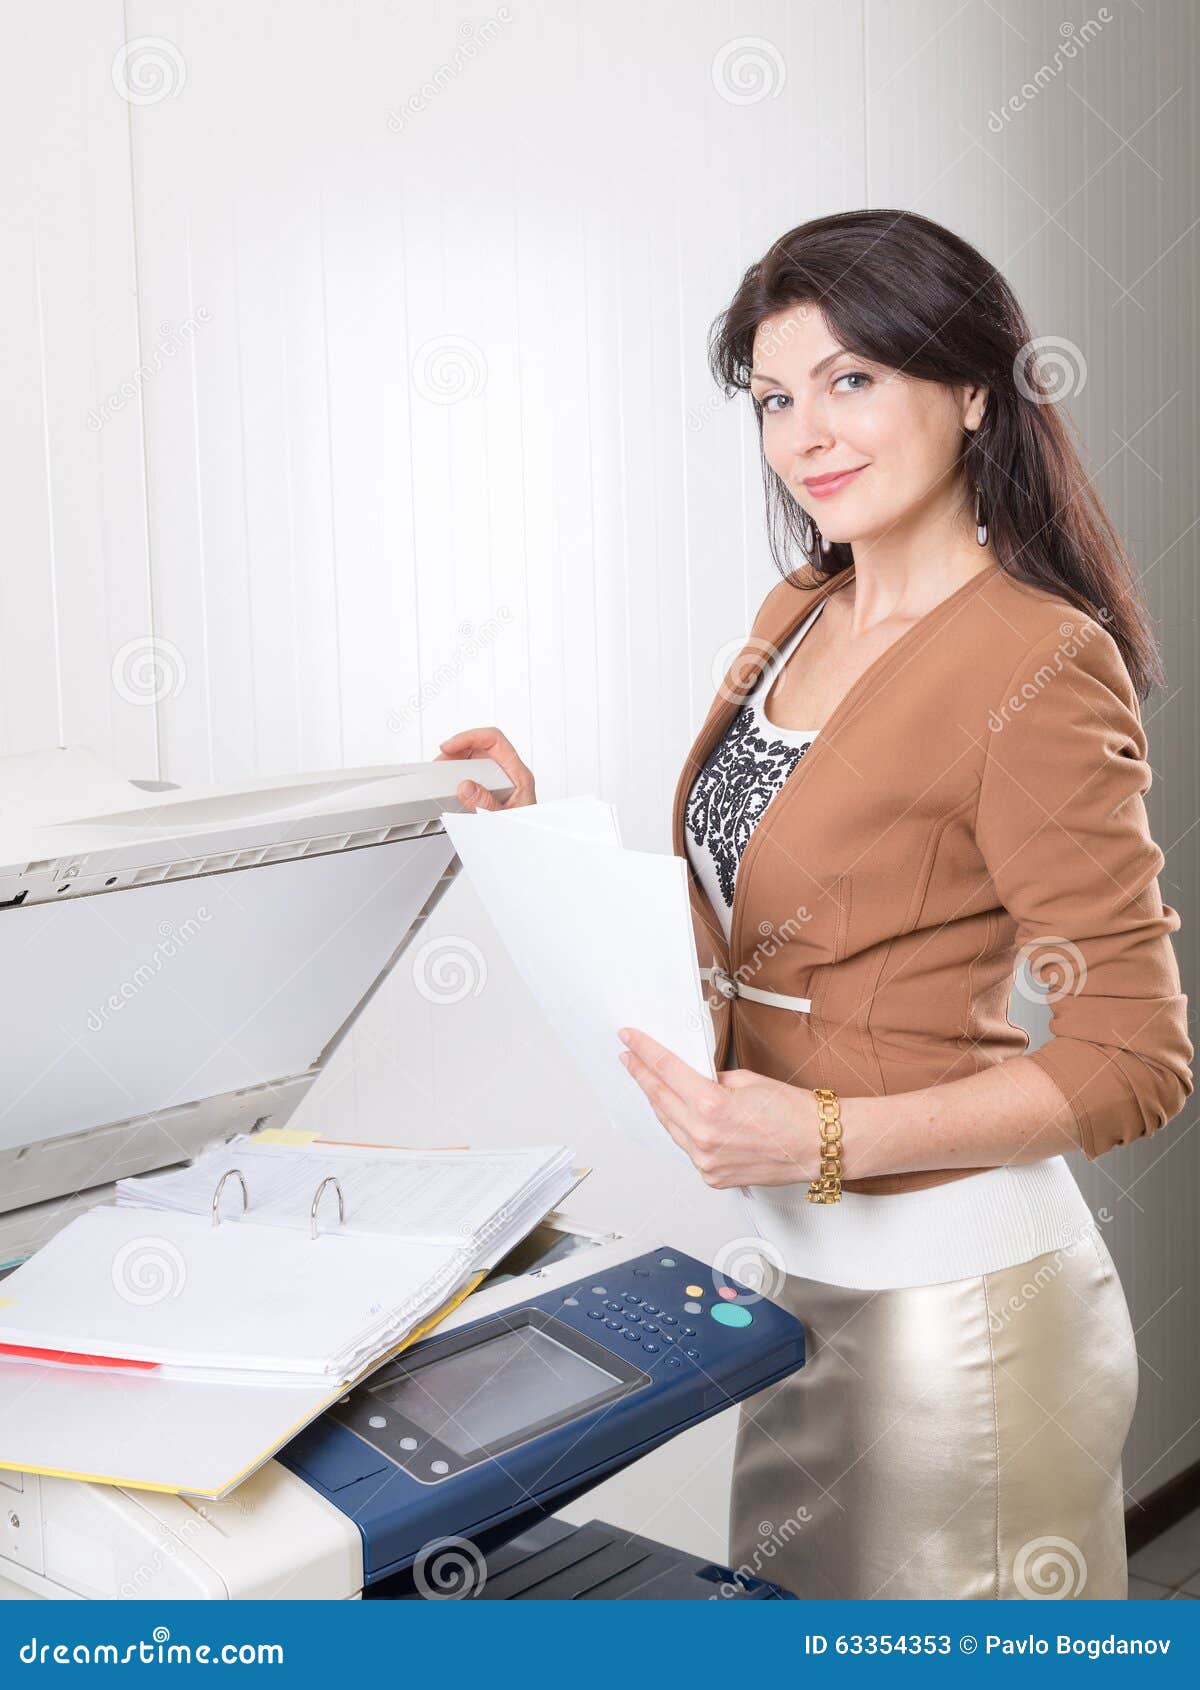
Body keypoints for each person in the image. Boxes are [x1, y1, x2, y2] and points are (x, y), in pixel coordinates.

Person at [436, 209, 1192, 1601]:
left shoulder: (1037, 663)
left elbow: (1134, 1061)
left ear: (975, 391)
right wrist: (541, 837)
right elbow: (764, 915)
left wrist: (827, 1135)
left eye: (852, 380)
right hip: (798, 1279)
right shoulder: (799, 606)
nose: (806, 435)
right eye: (776, 397)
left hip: (960, 1315)